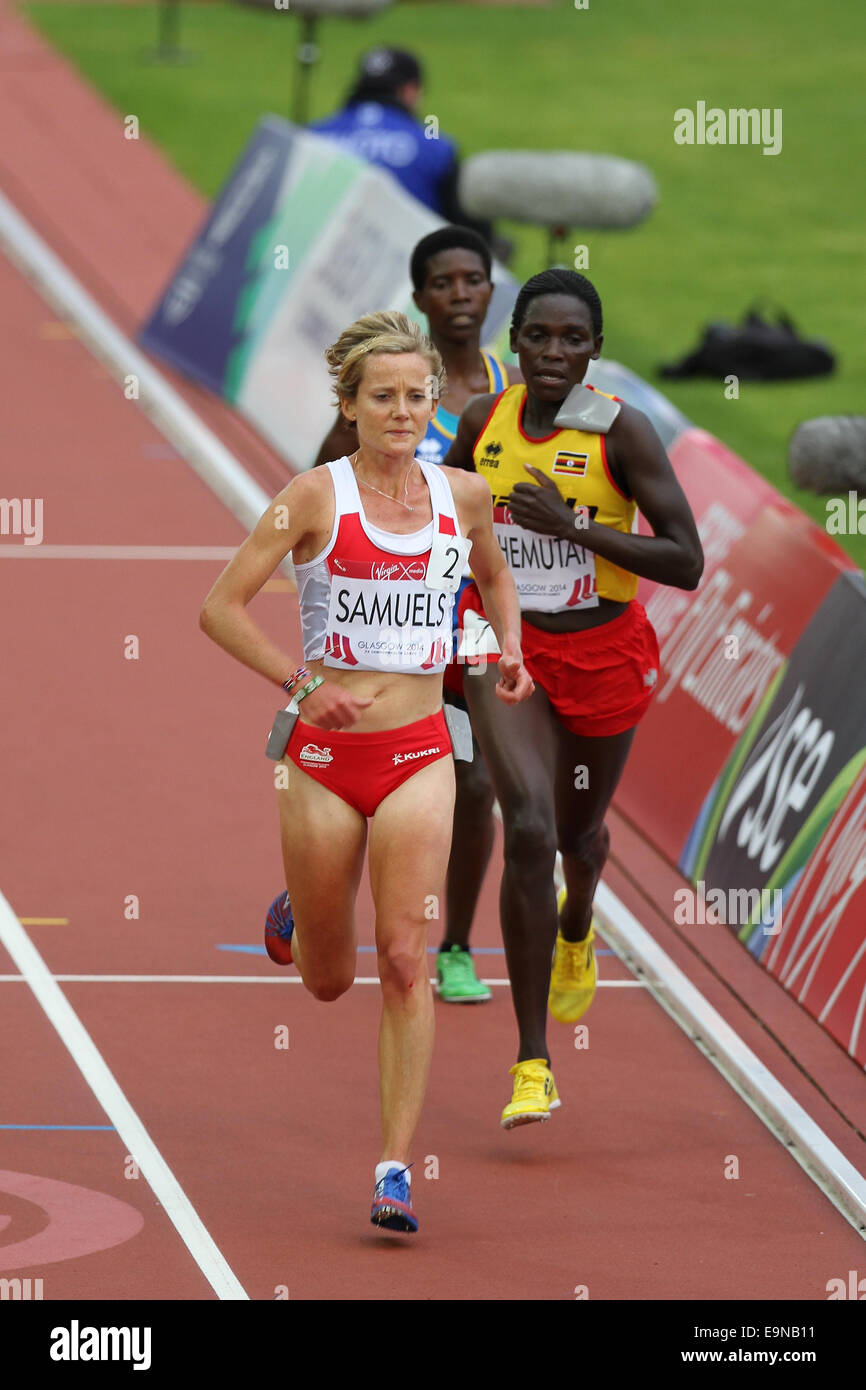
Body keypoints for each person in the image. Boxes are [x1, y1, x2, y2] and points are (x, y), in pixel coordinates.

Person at [199, 311, 533, 1231]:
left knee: (402, 959)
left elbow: (497, 575)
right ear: (348, 407)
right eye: (380, 397)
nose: (399, 411)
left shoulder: (463, 496)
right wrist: (301, 685)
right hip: (319, 758)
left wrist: (509, 648)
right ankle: (300, 919)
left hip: (423, 749)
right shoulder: (312, 497)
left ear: (432, 404)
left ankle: (393, 1166)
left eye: (414, 397)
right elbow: (220, 608)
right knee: (327, 978)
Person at [443, 269, 704, 1128]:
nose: (554, 353)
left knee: (580, 837)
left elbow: (686, 560)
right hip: (501, 637)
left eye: (573, 340)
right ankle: (531, 1062)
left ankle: (578, 919)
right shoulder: (484, 422)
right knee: (528, 825)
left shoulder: (622, 433)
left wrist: (577, 529)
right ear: (512, 343)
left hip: (601, 647)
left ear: (595, 352)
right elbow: (444, 517)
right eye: (539, 337)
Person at [313, 227, 522, 1003]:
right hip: (383, 629)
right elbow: (321, 488)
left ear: (491, 293)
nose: (462, 294)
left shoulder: (512, 387)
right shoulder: (384, 390)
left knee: (472, 788)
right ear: (422, 296)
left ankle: (457, 945)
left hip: (464, 627)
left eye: (475, 280)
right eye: (445, 282)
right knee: (363, 775)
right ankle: (319, 896)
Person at [309, 47, 494, 245]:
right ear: (410, 90)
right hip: (406, 267)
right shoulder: (437, 147)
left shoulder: (309, 137)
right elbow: (468, 232)